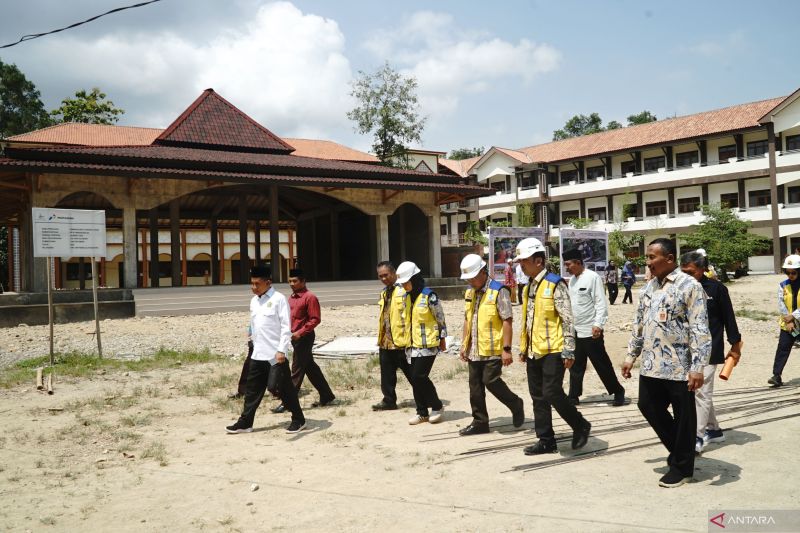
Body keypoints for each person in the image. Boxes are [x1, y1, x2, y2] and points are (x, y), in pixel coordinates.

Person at [622, 238, 711, 488]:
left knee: (684, 416)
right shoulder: (649, 287)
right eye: (647, 257)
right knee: (647, 406)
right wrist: (631, 355)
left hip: (680, 366)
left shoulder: (689, 286)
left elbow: (700, 329)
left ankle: (682, 468)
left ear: (669, 259)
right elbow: (639, 324)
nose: (647, 262)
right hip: (652, 363)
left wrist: (697, 367)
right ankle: (682, 452)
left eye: (652, 257)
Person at [515, 238, 591, 455]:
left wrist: (569, 349)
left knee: (552, 392)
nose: (522, 265)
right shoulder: (528, 287)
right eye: (520, 262)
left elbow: (567, 319)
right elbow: (528, 319)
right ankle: (546, 440)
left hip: (554, 349)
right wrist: (523, 347)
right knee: (537, 395)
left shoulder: (555, 284)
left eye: (525, 261)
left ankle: (580, 425)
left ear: (538, 260)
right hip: (533, 350)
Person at [226, 265, 306, 434]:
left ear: (268, 282)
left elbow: (286, 327)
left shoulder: (278, 299)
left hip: (275, 356)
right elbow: (255, 325)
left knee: (284, 390)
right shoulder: (254, 301)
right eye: (252, 284)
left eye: (257, 284)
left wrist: (281, 351)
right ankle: (246, 422)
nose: (253, 287)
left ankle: (298, 419)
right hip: (257, 353)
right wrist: (251, 342)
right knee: (252, 391)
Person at [680, 252, 742, 454]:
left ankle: (697, 437)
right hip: (686, 349)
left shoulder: (717, 289)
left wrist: (735, 344)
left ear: (702, 269)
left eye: (691, 272)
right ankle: (713, 429)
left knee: (701, 392)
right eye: (684, 272)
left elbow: (728, 318)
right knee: (699, 392)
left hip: (710, 349)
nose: (687, 276)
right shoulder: (680, 288)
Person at [458, 254, 525, 436]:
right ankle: (480, 422)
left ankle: (515, 403)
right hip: (474, 349)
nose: (470, 281)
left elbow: (507, 320)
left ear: (482, 271)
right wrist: (464, 345)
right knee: (475, 387)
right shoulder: (470, 293)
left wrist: (507, 349)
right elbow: (467, 319)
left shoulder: (498, 290)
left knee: (490, 381)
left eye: (472, 277)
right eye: (468, 278)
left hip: (493, 348)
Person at [562, 249, 626, 407]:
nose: (567, 268)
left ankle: (618, 391)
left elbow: (600, 302)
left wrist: (598, 324)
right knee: (576, 366)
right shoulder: (572, 281)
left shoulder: (592, 277)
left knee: (601, 364)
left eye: (568, 264)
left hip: (591, 331)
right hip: (576, 330)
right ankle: (573, 395)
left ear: (578, 262)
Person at [273, 268, 335, 411]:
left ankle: (288, 402)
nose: (292, 284)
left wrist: (300, 333)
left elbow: (315, 319)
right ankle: (327, 395)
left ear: (303, 281)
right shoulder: (291, 298)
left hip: (304, 337)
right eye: (289, 281)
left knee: (296, 370)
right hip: (293, 337)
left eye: (295, 281)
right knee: (310, 368)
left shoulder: (310, 297)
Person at [397, 261, 447, 425]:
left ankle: (437, 406)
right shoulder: (406, 297)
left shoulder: (429, 296)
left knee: (419, 376)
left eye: (406, 282)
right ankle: (422, 412)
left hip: (428, 344)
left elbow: (440, 318)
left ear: (414, 278)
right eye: (402, 283)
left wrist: (443, 339)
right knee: (414, 378)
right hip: (411, 344)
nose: (404, 285)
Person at [373, 261, 412, 411]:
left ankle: (427, 398)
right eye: (380, 276)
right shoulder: (384, 292)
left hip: (402, 341)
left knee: (413, 373)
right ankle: (389, 400)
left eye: (386, 275)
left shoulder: (404, 291)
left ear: (394, 273)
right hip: (386, 341)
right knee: (387, 374)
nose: (383, 278)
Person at [769, 254, 800, 387]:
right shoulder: (782, 285)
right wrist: (788, 320)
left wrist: (794, 316)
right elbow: (781, 303)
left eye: (793, 272)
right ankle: (776, 375)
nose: (790, 275)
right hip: (787, 324)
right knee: (783, 348)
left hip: (797, 320)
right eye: (788, 272)